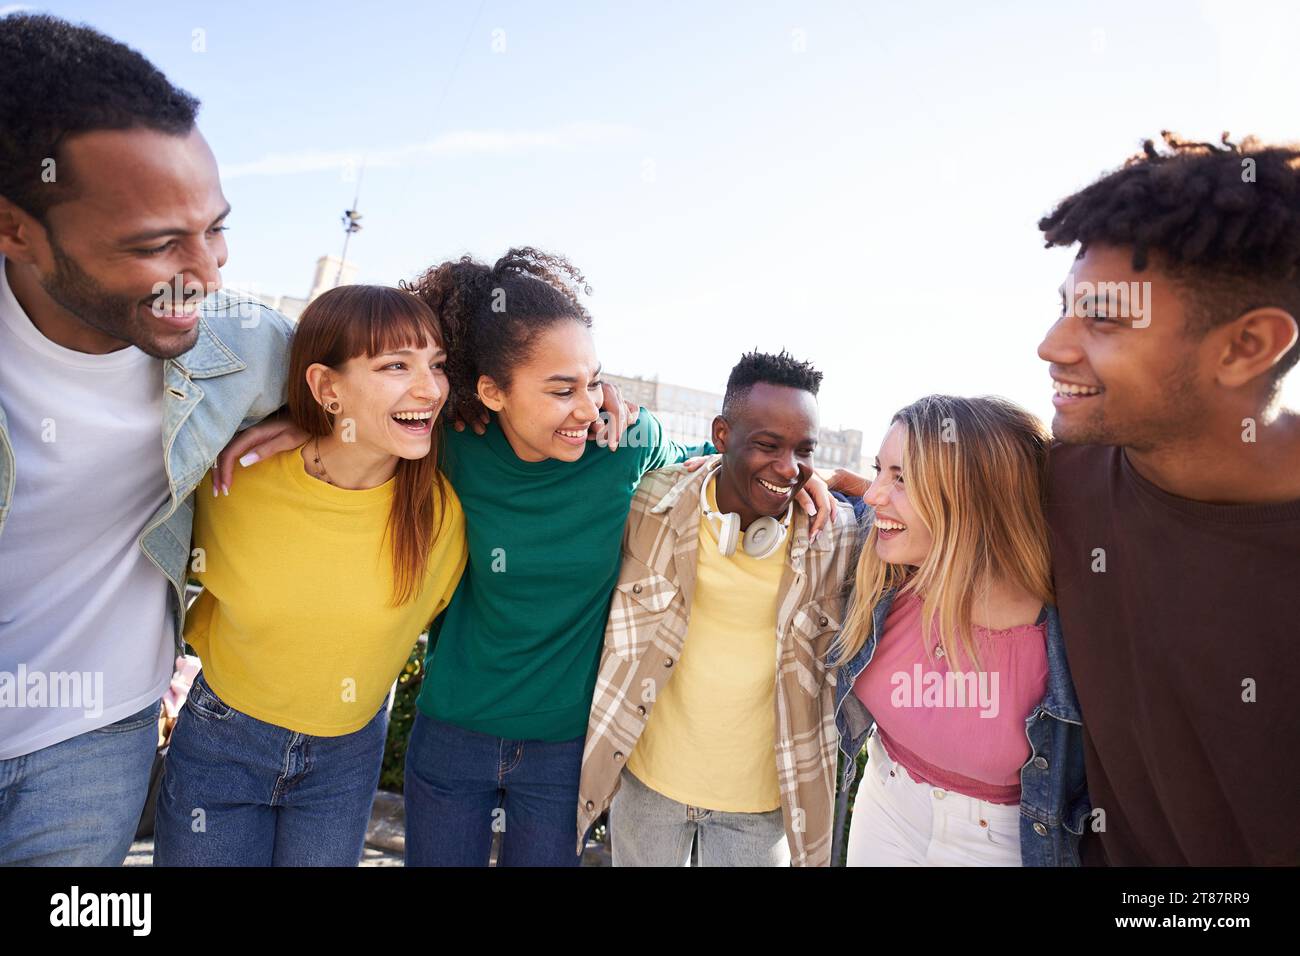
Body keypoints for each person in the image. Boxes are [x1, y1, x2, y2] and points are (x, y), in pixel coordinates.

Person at [218, 249, 836, 866]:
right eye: (562, 388)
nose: (589, 407)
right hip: (452, 736)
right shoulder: (451, 448)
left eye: (593, 381)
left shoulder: (625, 444)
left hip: (565, 751)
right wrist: (309, 424)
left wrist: (812, 479)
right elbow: (368, 404)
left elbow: (738, 457)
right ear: (491, 392)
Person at [0, 14, 292, 866]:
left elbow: (407, 385)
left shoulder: (247, 347)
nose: (207, 271)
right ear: (16, 229)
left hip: (92, 740)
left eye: (215, 227)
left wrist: (614, 417)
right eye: (160, 244)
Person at [1036, 132, 1300, 865]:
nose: (1052, 344)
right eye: (1064, 306)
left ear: (1247, 347)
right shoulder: (1059, 480)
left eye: (1104, 319)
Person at [153, 285, 466, 866]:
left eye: (438, 365)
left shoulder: (447, 512)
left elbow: (543, 416)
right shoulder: (234, 475)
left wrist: (617, 415)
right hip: (222, 742)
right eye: (396, 365)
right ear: (326, 386)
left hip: (346, 761)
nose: (430, 388)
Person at [578, 351, 859, 867]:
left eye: (803, 450)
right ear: (722, 435)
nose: (787, 468)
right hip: (647, 785)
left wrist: (852, 483)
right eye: (768, 445)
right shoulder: (649, 504)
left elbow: (924, 527)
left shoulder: (834, 536)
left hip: (761, 807)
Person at [830, 395, 1088, 866]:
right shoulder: (891, 574)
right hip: (884, 804)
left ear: (970, 497)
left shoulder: (1068, 633)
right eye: (880, 470)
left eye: (901, 478)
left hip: (1002, 842)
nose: (873, 494)